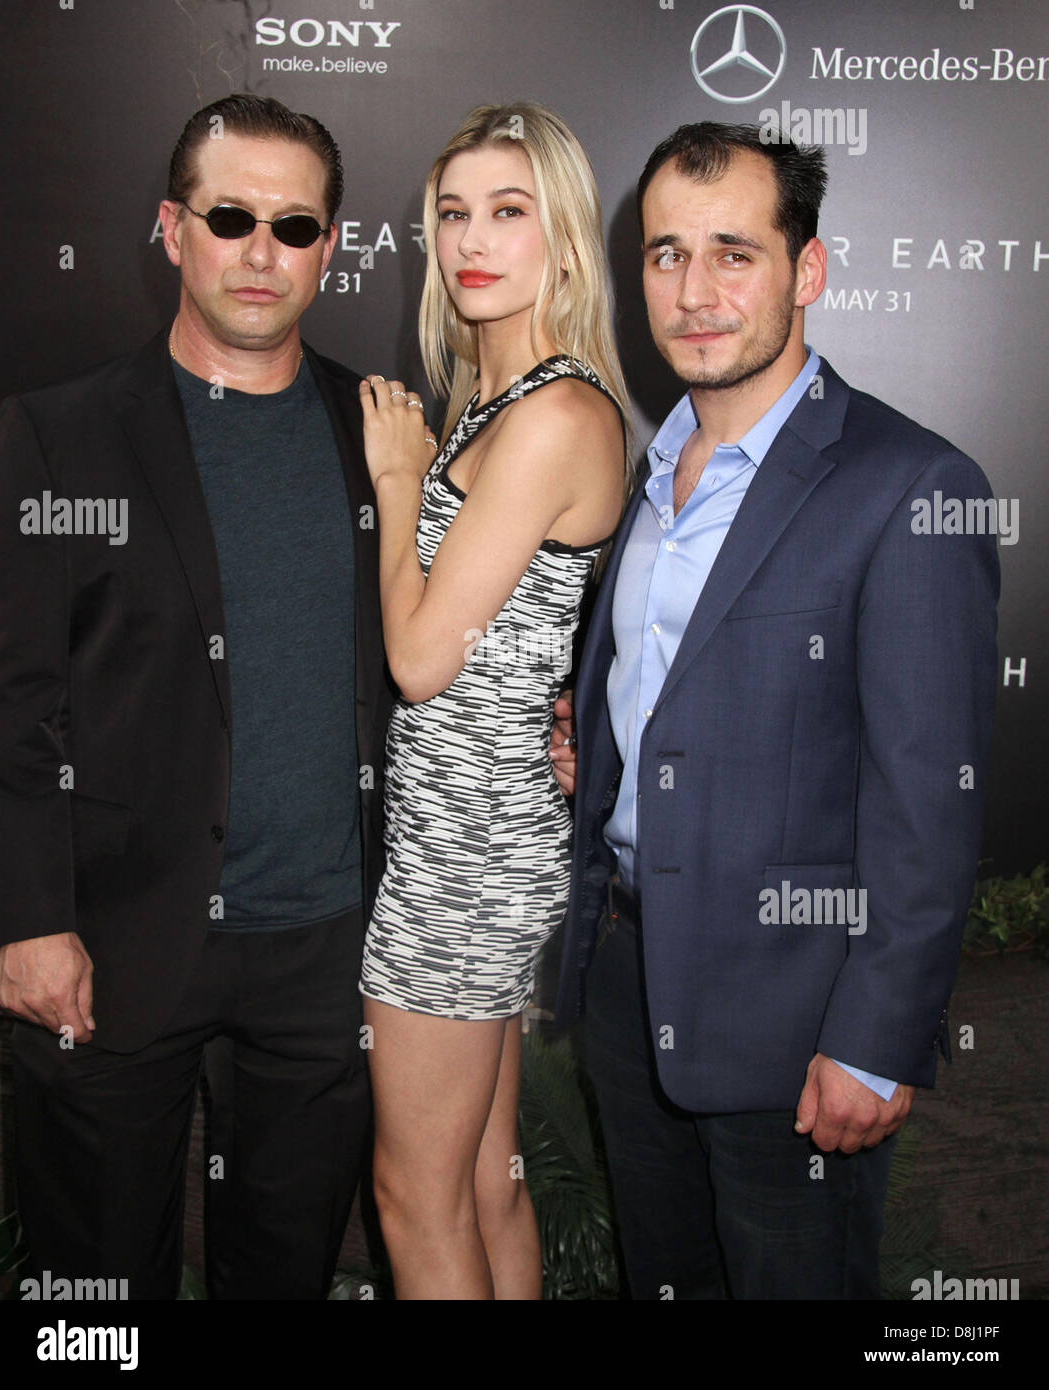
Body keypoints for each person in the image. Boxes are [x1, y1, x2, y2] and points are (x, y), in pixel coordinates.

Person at [550, 122, 999, 1299]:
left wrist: (876, 1036)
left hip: (799, 1028)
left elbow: (928, 800)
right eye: (664, 255)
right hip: (627, 988)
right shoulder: (652, 478)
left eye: (733, 254)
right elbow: (676, 697)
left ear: (807, 272)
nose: (694, 294)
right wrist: (597, 751)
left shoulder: (910, 486)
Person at [0, 94, 390, 1299]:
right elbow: (10, 696)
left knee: (290, 1275)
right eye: (229, 217)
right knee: (91, 1296)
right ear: (172, 229)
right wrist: (24, 917)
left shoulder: (382, 429)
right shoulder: (58, 436)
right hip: (108, 949)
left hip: (327, 959)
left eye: (295, 225)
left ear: (331, 245)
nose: (261, 252)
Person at [357, 101, 628, 1300]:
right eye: (453, 213)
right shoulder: (493, 397)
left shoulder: (553, 416)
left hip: (463, 864)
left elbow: (421, 660)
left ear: (563, 241)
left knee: (415, 1199)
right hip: (480, 839)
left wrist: (402, 482)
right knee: (480, 1180)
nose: (474, 238)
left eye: (509, 212)